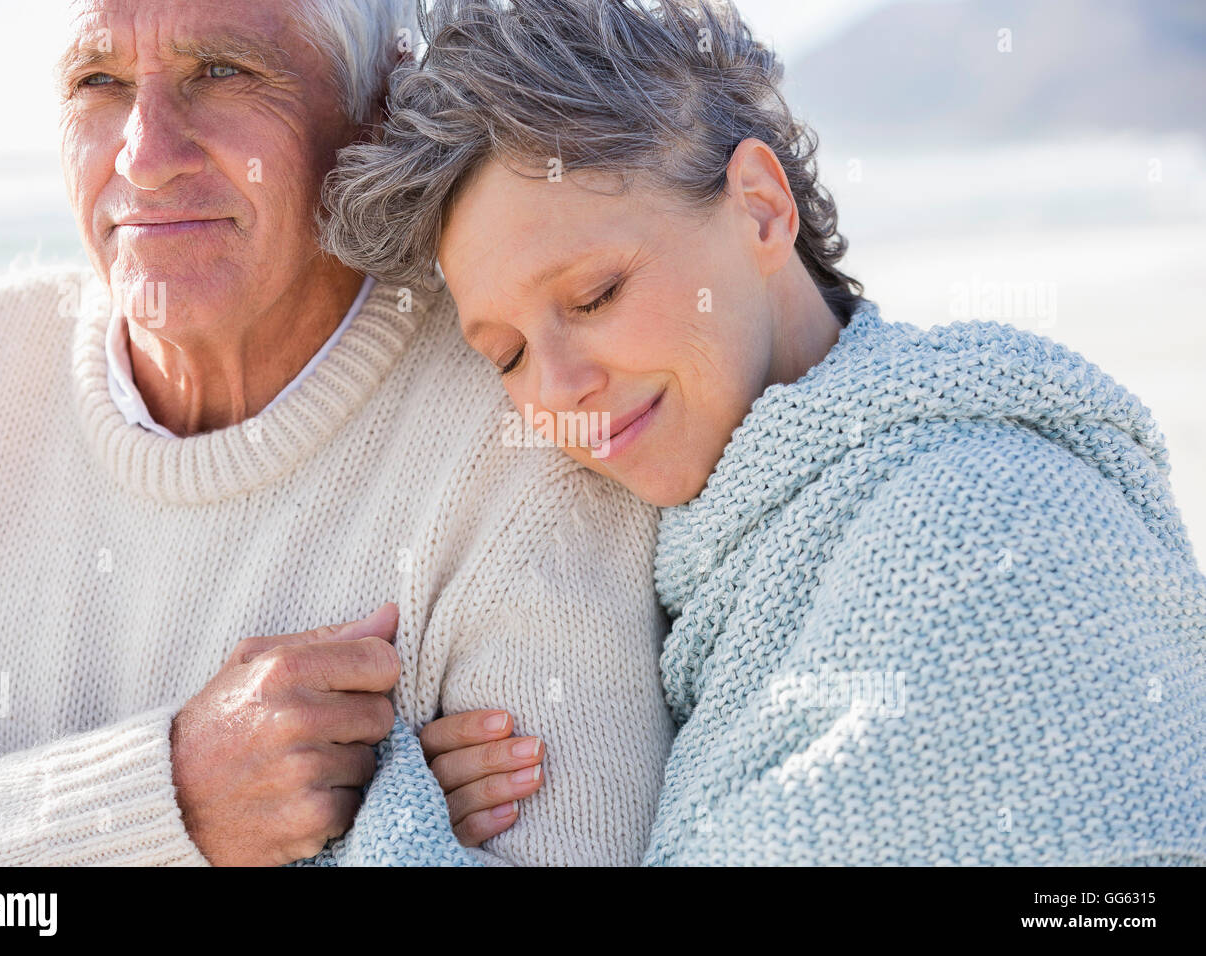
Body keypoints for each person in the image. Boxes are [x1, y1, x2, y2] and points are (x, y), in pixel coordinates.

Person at [321, 0, 1206, 864]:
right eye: (507, 355)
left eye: (595, 296)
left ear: (759, 209)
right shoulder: (696, 563)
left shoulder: (980, 526)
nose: (557, 392)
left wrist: (371, 820)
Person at [0, 0, 675, 866]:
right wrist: (174, 804)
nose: (145, 158)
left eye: (222, 72)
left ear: (379, 106)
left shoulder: (533, 433)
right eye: (100, 82)